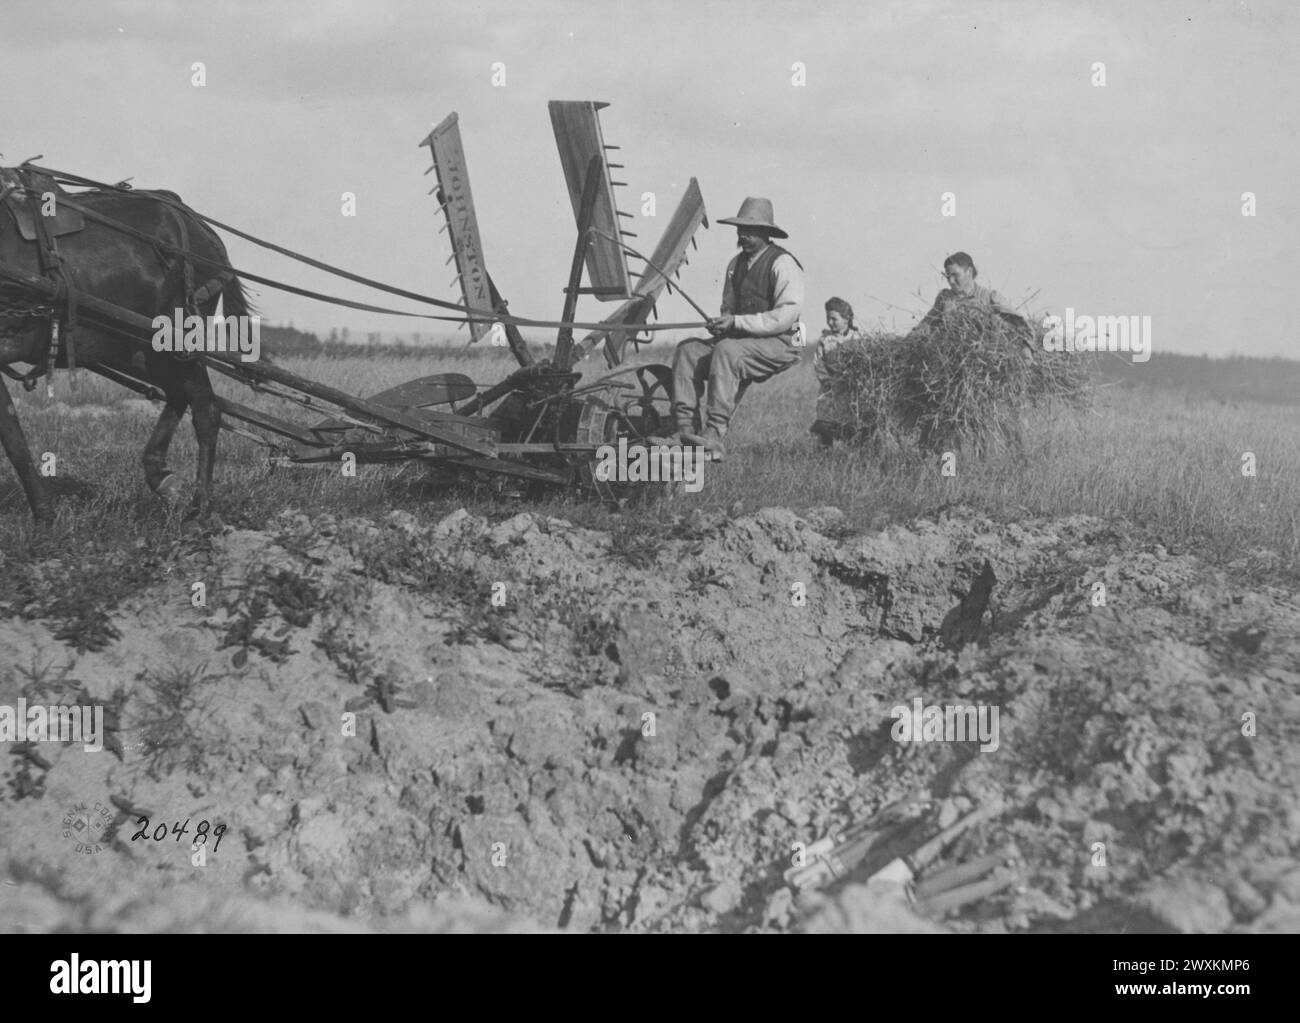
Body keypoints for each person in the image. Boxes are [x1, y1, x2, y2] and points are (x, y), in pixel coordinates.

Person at [660, 197, 805, 461]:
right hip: (741, 341)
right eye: (740, 229)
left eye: (751, 230)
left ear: (766, 233)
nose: (744, 235)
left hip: (783, 344)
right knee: (688, 350)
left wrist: (735, 323)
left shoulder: (783, 263)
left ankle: (714, 434)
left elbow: (786, 317)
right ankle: (685, 429)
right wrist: (722, 323)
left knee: (727, 351)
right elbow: (728, 308)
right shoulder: (734, 265)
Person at [911, 252, 1032, 352]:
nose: (951, 281)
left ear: (969, 272)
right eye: (948, 276)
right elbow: (926, 325)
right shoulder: (945, 298)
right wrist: (905, 343)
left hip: (982, 359)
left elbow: (1020, 324)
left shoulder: (989, 297)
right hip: (950, 359)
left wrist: (1027, 348)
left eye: (955, 275)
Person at [810, 296, 866, 449]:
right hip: (829, 390)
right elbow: (818, 362)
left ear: (846, 319)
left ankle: (854, 458)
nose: (830, 322)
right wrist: (828, 380)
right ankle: (823, 456)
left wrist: (854, 379)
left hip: (851, 390)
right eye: (828, 319)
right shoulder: (825, 340)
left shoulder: (858, 339)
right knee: (825, 424)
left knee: (851, 424)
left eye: (834, 319)